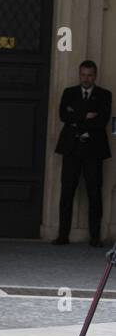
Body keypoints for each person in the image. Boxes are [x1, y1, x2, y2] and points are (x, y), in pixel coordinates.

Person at [54, 59, 111, 246]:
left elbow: (102, 121)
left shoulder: (104, 95)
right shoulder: (69, 92)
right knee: (67, 192)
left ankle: (95, 237)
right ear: (79, 75)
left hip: (93, 151)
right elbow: (63, 115)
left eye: (90, 75)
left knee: (94, 192)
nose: (86, 79)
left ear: (95, 76)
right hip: (71, 148)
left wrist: (76, 117)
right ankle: (63, 235)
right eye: (83, 75)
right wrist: (86, 115)